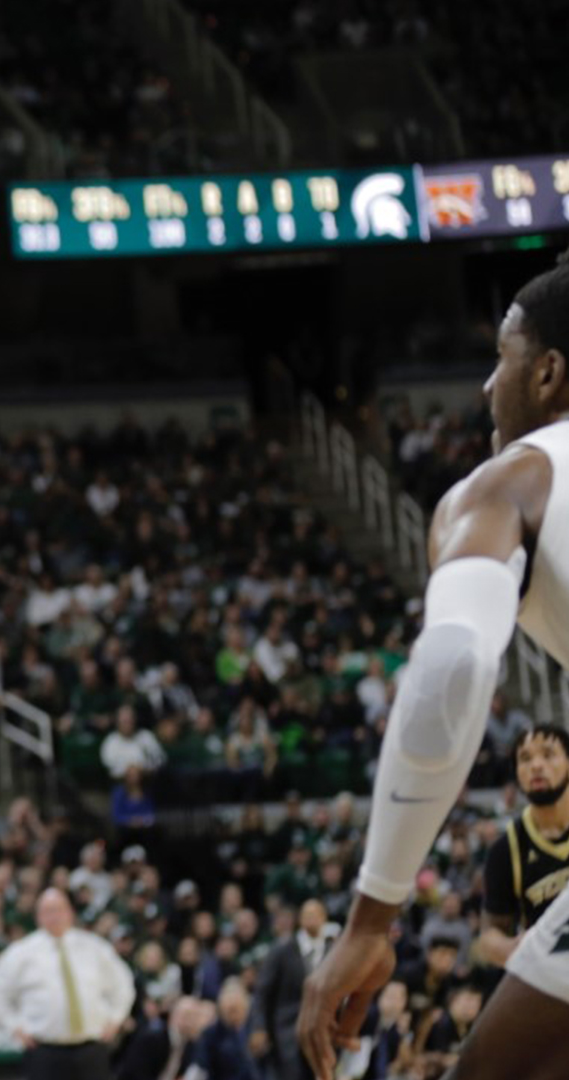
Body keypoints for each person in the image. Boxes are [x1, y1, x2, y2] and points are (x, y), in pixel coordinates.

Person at [300, 254, 569, 1080]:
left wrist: (371, 919)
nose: (490, 386)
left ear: (551, 372)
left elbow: (451, 671)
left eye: (503, 358)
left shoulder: (512, 482)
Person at [0, 888, 135, 1080]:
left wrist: (116, 1018)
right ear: (38, 916)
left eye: (59, 909)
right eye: (48, 911)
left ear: (70, 912)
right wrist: (14, 1026)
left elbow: (123, 983)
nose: (55, 916)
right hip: (44, 1050)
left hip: (92, 1047)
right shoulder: (21, 952)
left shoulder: (94, 946)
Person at [479, 724, 569, 967]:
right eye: (525, 758)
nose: (536, 765)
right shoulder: (506, 848)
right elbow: (489, 934)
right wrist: (510, 949)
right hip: (550, 974)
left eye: (548, 754)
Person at [258, 899, 333, 1080]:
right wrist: (259, 1027)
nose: (311, 919)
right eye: (307, 915)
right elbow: (263, 991)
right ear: (299, 919)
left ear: (324, 918)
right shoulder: (282, 950)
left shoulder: (334, 951)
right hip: (287, 1031)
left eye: (315, 915)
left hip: (324, 1029)